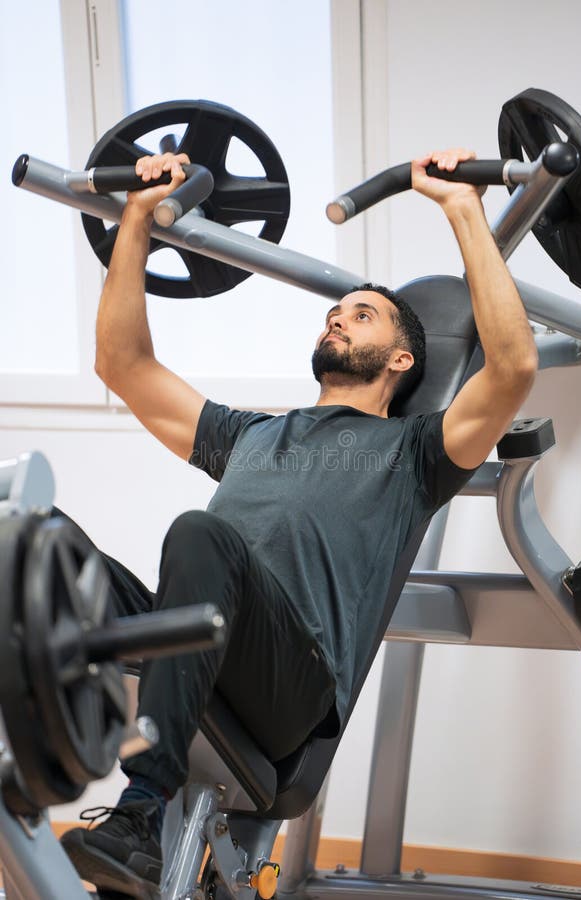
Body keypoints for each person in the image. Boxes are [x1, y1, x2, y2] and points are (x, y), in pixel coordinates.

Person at [61, 147, 538, 897]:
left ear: (403, 360)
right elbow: (122, 364)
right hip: (193, 638)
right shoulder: (250, 435)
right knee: (34, 537)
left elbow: (511, 370)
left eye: (361, 314)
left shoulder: (416, 452)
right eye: (333, 313)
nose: (338, 320)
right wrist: (134, 223)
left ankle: (143, 814)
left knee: (199, 534)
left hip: (289, 686)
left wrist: (461, 210)